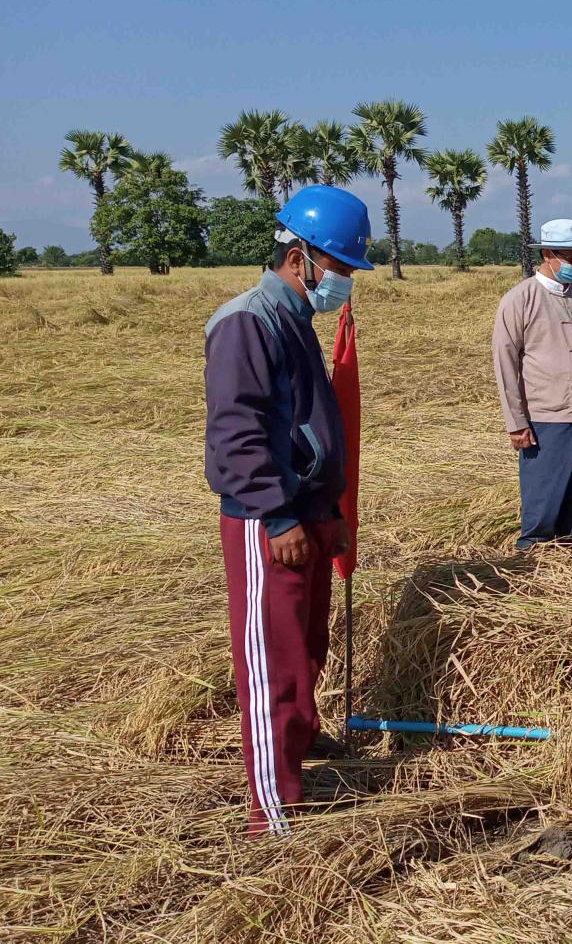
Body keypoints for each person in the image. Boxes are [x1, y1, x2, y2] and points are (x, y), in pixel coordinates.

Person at [204, 184, 372, 836]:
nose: (345, 281)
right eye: (341, 267)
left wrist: (325, 509)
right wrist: (276, 517)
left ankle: (296, 756)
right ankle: (274, 812)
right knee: (272, 662)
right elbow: (238, 434)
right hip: (265, 519)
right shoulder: (247, 321)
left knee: (305, 648)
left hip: (305, 515)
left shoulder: (296, 321)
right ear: (299, 257)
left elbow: (307, 425)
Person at [492, 218, 572, 548]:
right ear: (548, 254)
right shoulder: (520, 300)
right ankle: (533, 558)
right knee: (545, 499)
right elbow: (505, 365)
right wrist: (516, 423)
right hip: (546, 419)